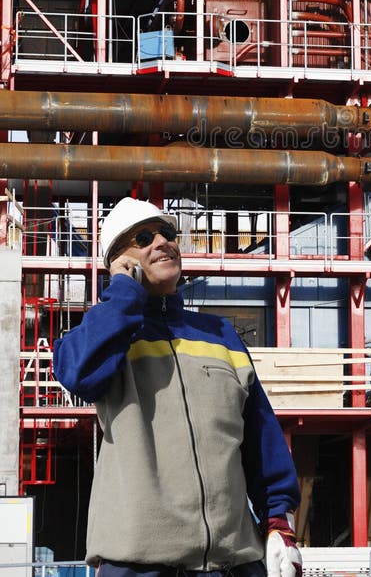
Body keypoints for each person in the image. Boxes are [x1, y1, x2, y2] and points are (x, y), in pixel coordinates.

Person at [53, 197, 302, 577]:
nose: (162, 242)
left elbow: (260, 436)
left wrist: (279, 524)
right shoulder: (109, 334)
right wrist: (123, 294)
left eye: (167, 233)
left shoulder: (220, 335)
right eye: (143, 238)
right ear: (119, 261)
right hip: (138, 567)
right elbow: (77, 373)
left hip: (232, 564)